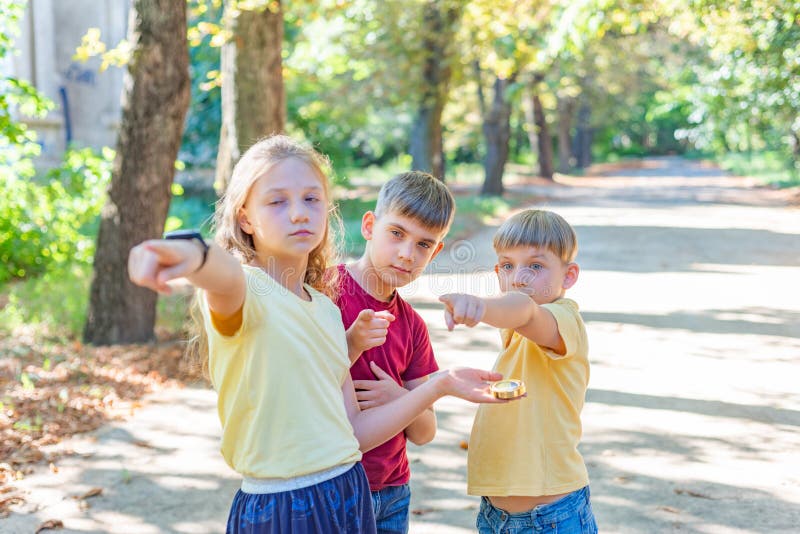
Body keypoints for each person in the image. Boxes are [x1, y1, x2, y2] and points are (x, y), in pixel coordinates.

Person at [127, 135, 509, 534]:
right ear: (245, 218)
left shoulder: (325, 308)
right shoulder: (246, 293)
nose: (298, 214)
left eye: (311, 199)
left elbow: (355, 433)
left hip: (350, 491)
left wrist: (440, 385)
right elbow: (222, 275)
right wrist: (190, 253)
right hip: (283, 505)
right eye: (277, 201)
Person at [439, 209, 598, 534]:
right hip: (496, 517)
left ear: (568, 276)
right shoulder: (513, 334)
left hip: (551, 517)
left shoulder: (562, 319)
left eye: (535, 266)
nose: (519, 277)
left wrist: (481, 307)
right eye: (508, 266)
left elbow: (524, 311)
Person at [338, 171, 454, 534]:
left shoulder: (413, 326)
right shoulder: (323, 294)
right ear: (370, 225)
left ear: (435, 251)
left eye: (423, 244)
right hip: (333, 485)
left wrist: (400, 397)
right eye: (397, 234)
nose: (407, 254)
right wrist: (349, 343)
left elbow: (424, 433)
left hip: (392, 492)